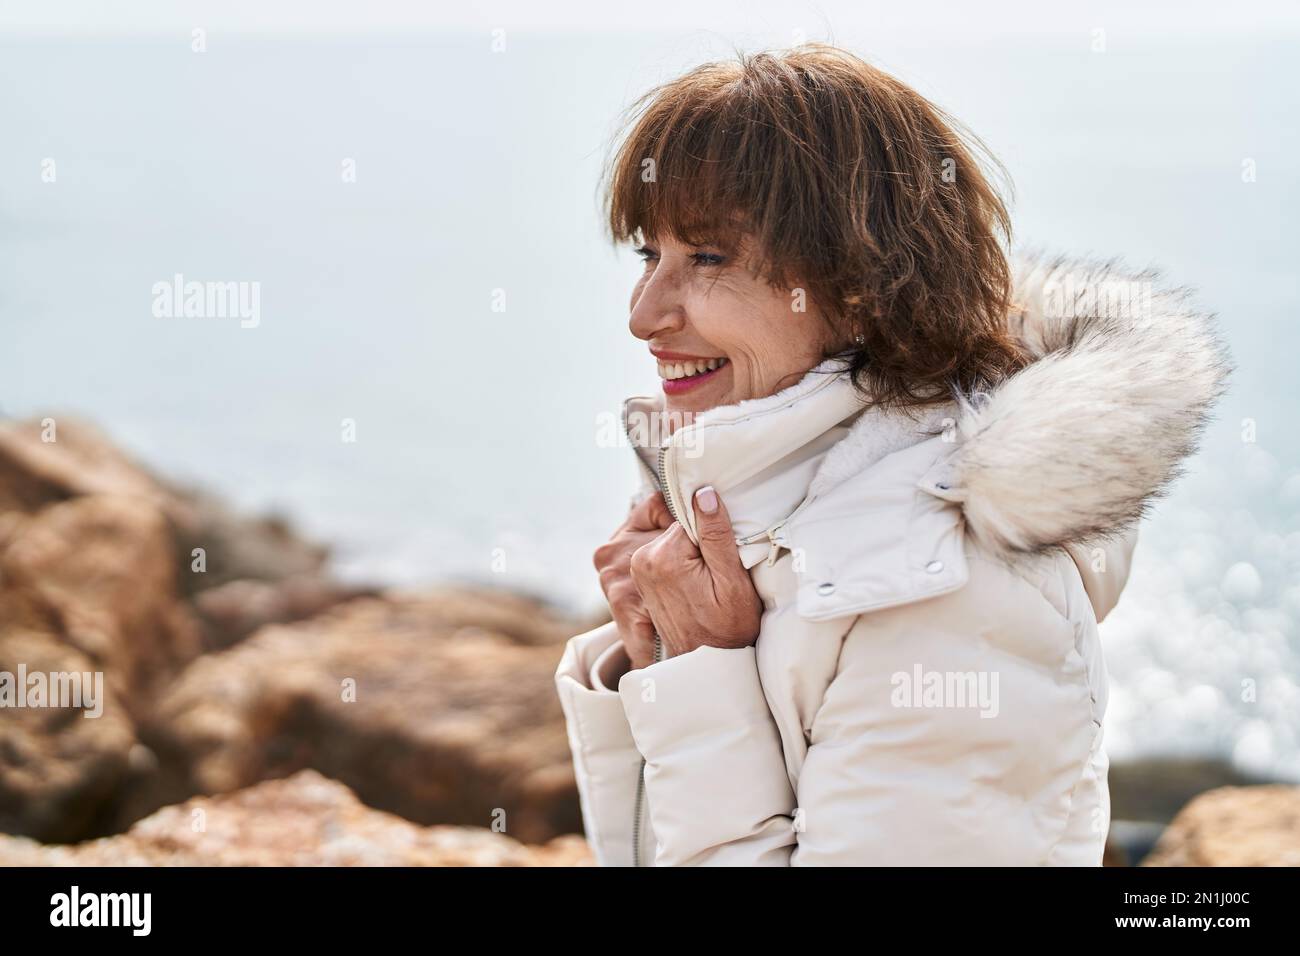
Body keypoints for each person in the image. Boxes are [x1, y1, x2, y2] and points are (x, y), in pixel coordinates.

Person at [554, 43, 1230, 866]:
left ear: (860, 282)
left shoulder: (944, 585)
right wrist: (651, 653)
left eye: (706, 257)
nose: (643, 314)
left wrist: (704, 674)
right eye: (647, 255)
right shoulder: (766, 508)